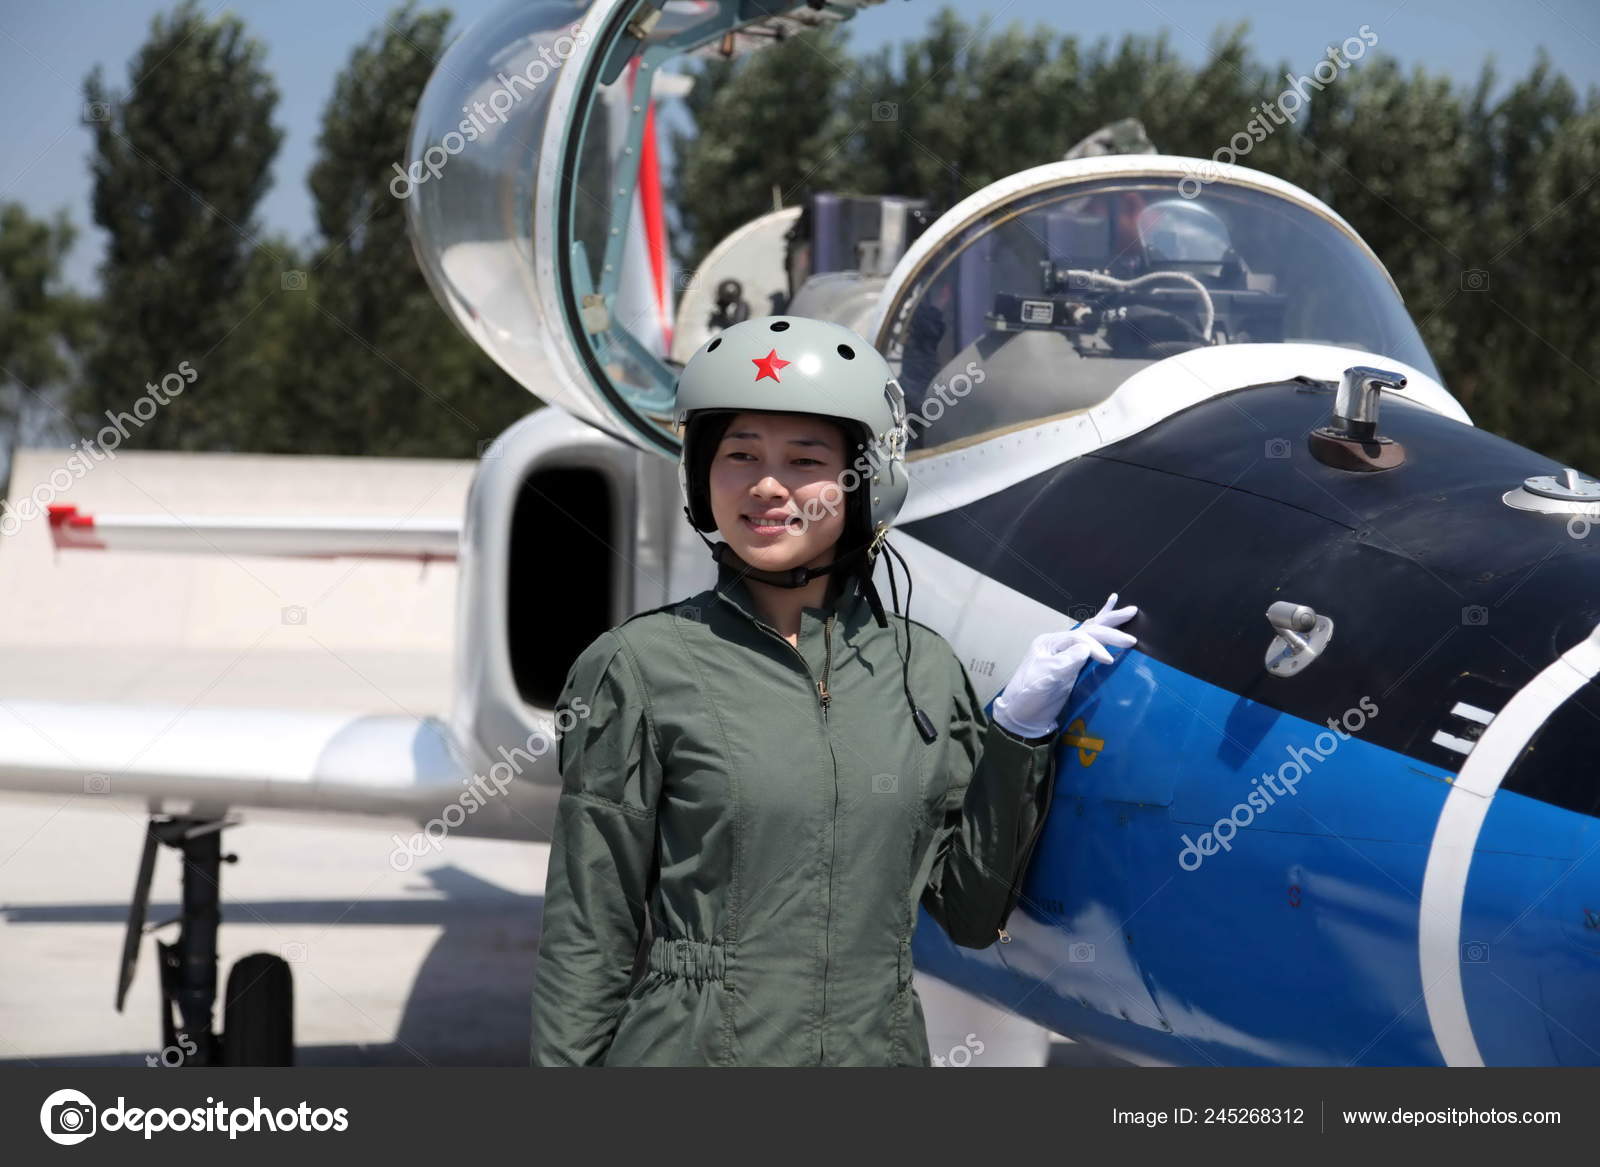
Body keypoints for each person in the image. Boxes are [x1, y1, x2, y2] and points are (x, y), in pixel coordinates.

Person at [530, 315, 1138, 1066]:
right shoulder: (638, 667)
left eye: (805, 458)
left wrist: (1018, 731)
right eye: (739, 453)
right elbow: (589, 932)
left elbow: (972, 913)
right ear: (700, 473)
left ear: (867, 478)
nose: (765, 485)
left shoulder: (924, 672)